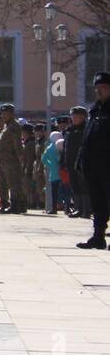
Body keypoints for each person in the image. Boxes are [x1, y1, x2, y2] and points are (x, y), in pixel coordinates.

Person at [76, 72, 110, 249]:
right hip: (93, 166)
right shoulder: (94, 110)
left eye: (103, 88)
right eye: (97, 88)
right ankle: (98, 237)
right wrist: (81, 160)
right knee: (97, 204)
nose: (99, 91)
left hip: (107, 165)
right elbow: (87, 138)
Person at [0, 104, 27, 213]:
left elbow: (17, 144)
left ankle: (16, 206)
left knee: (13, 184)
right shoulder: (5, 126)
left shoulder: (14, 126)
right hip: (2, 160)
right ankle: (4, 204)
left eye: (6, 113)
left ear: (12, 114)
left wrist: (20, 158)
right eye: (2, 114)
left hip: (11, 161)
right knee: (2, 184)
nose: (3, 116)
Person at [63, 106, 89, 218]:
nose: (74, 118)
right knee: (75, 186)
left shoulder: (87, 129)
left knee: (84, 186)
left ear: (83, 117)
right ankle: (78, 208)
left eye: (76, 116)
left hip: (82, 163)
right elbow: (66, 147)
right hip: (70, 162)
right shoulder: (70, 130)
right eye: (72, 116)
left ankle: (86, 210)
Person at [41, 131, 64, 215]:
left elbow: (43, 159)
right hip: (62, 171)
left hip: (53, 173)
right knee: (65, 191)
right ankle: (66, 207)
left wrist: (50, 165)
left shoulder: (49, 147)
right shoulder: (60, 145)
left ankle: (54, 208)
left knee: (54, 192)